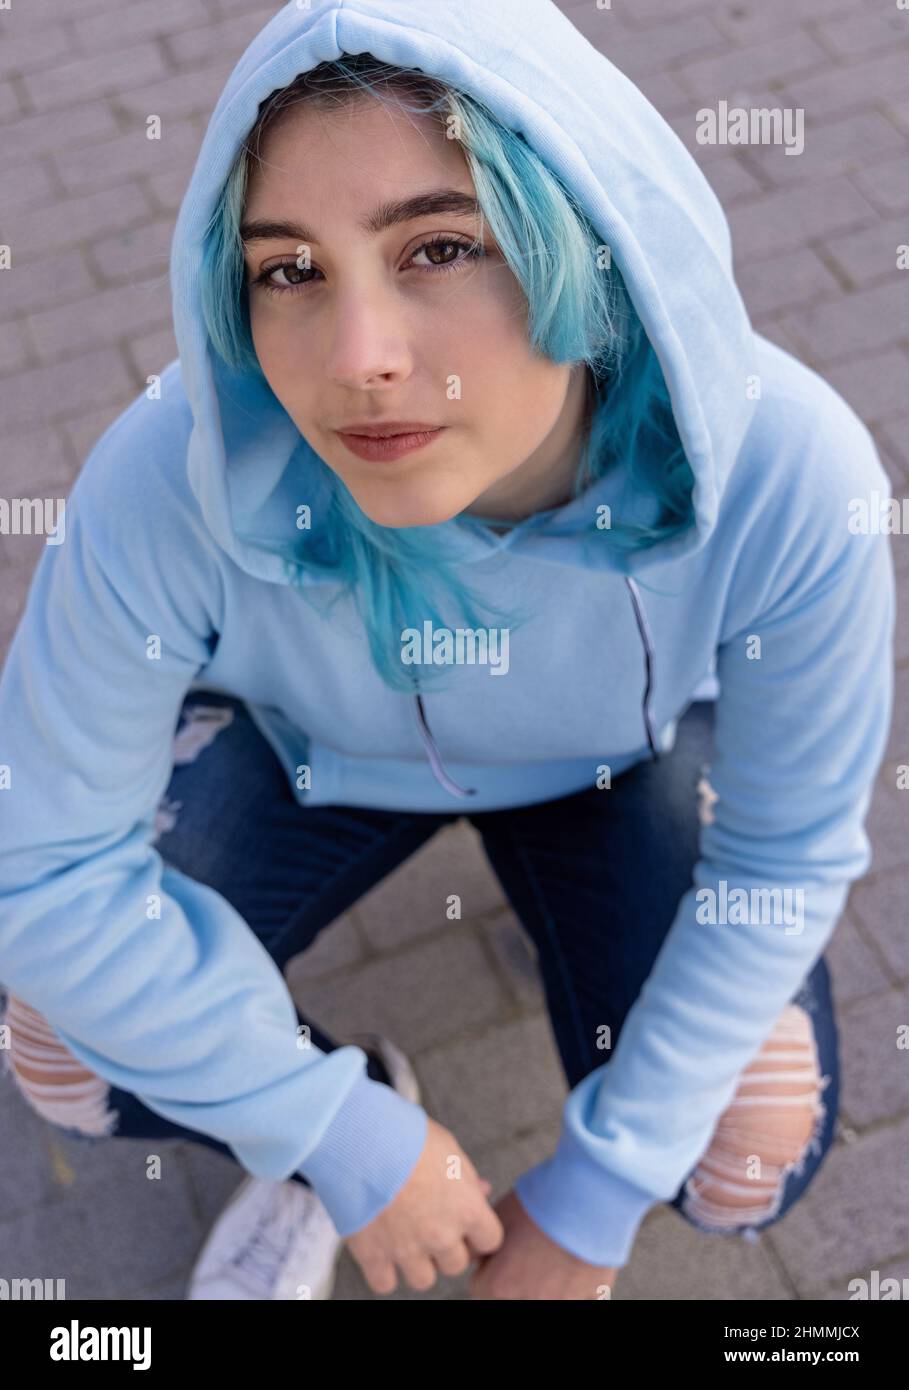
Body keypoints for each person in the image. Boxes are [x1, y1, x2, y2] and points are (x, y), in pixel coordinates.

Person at [0, 0, 895, 1302]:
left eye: (438, 246)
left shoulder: (783, 465)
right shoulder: (169, 473)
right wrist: (335, 1132)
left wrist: (591, 1200)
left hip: (618, 762)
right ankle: (339, 1098)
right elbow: (38, 870)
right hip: (319, 759)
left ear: (581, 238)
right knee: (64, 1051)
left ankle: (576, 944)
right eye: (290, 269)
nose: (356, 360)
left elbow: (789, 851)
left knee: (740, 1152)